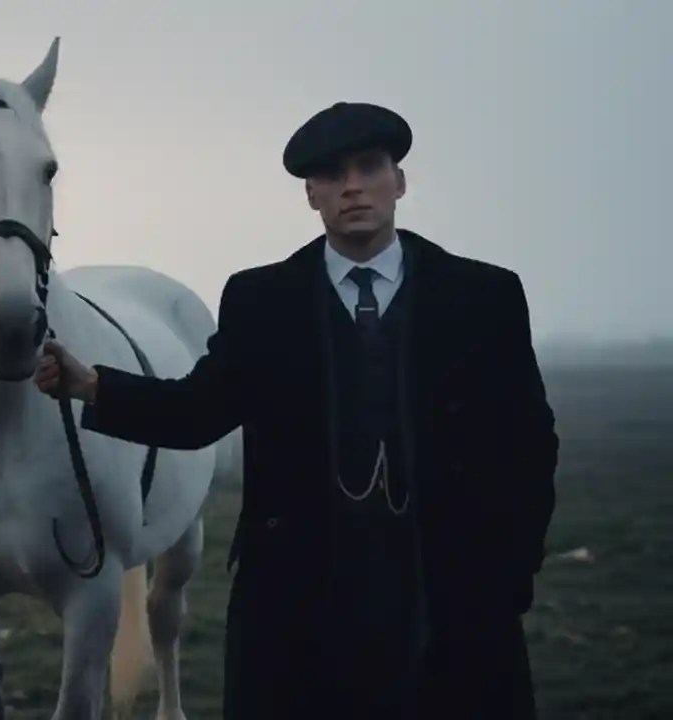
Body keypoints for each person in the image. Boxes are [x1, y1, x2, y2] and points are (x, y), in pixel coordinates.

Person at [34, 101, 558, 718]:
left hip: (448, 595)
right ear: (312, 194)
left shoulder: (482, 296)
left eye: (369, 167)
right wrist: (92, 385)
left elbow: (528, 445)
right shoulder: (262, 300)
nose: (353, 187)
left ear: (399, 181)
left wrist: (510, 575)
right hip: (302, 604)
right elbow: (198, 411)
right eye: (332, 174)